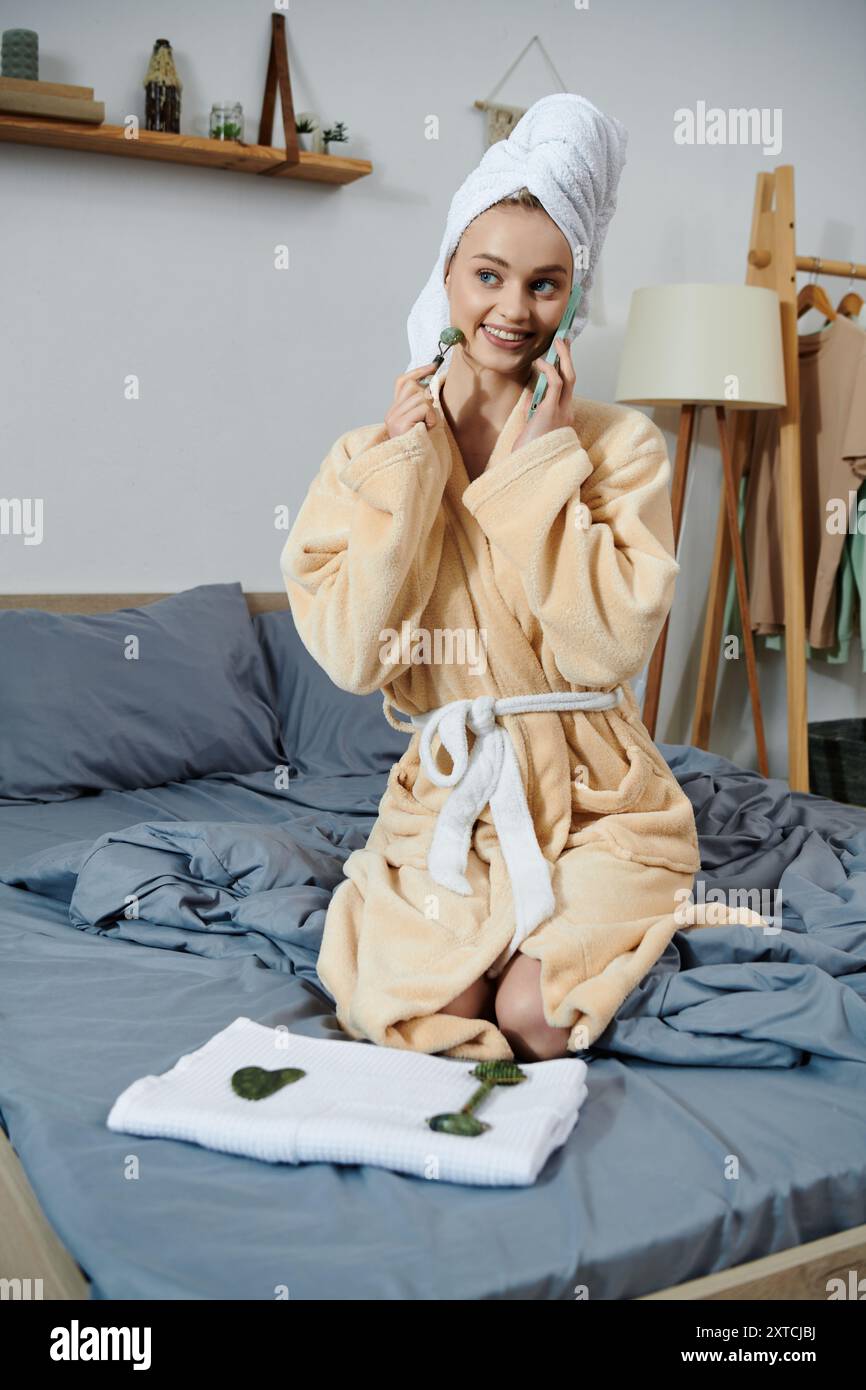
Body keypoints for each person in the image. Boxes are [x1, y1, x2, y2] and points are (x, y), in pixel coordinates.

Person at [280, 97, 742, 1064]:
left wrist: (542, 466)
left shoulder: (620, 447)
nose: (513, 309)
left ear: (574, 296)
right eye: (487, 275)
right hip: (452, 795)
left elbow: (607, 647)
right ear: (447, 272)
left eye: (545, 284)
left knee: (536, 1014)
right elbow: (356, 658)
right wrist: (406, 481)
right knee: (438, 1004)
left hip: (603, 796)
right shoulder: (369, 457)